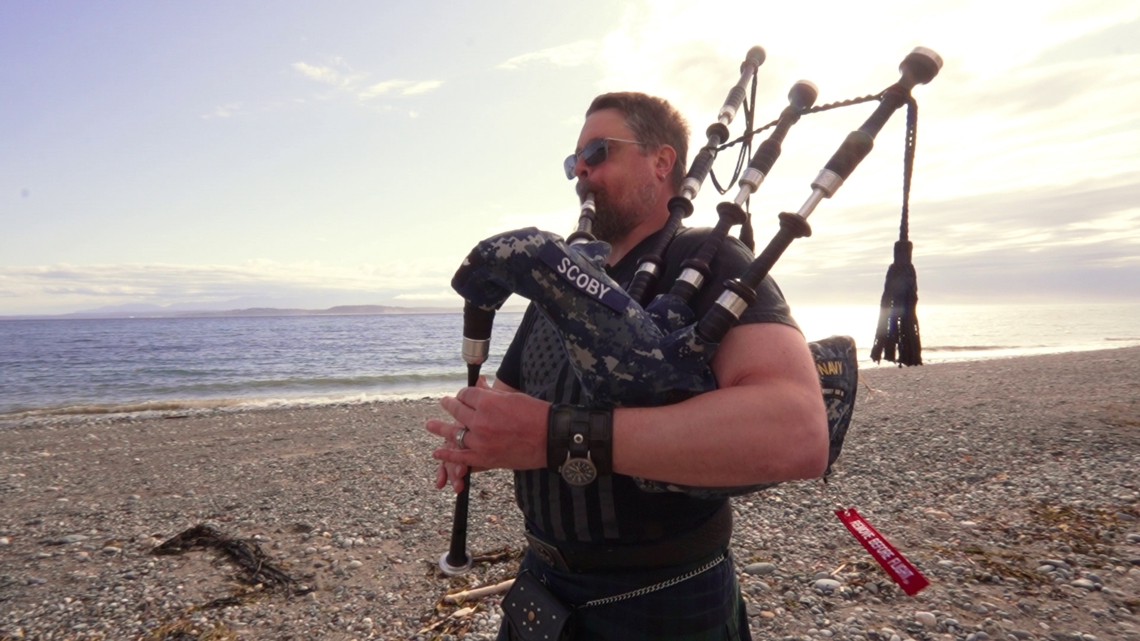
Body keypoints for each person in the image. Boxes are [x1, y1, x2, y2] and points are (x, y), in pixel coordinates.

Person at [426, 92, 829, 640]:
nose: (582, 170)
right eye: (574, 162)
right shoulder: (560, 283)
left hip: (666, 599)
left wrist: (555, 435)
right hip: (542, 586)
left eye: (598, 151)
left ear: (663, 163)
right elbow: (513, 399)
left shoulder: (712, 262)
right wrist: (479, 434)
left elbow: (797, 432)